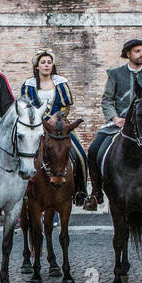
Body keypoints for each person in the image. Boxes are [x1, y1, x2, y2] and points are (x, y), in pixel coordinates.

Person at [86, 38, 142, 212]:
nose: (141, 54)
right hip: (117, 125)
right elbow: (107, 100)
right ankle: (96, 193)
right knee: (93, 149)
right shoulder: (115, 74)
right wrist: (114, 118)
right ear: (128, 54)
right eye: (137, 51)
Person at [19, 48, 94, 209]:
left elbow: (66, 106)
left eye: (49, 62)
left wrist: (56, 117)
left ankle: (81, 192)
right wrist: (41, 119)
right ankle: (22, 193)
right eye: (43, 62)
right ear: (37, 66)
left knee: (80, 155)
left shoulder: (60, 82)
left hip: (60, 127)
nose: (46, 65)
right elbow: (25, 106)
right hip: (37, 127)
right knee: (23, 156)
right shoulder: (28, 85)